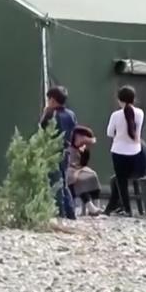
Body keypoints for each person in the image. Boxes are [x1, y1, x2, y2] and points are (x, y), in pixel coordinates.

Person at [104, 85, 145, 217]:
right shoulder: (140, 113)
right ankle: (112, 207)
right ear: (134, 99)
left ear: (119, 99)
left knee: (121, 181)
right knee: (119, 180)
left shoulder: (115, 115)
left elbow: (110, 133)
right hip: (136, 151)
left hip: (118, 151)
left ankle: (126, 208)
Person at [40, 86, 77, 220]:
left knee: (56, 183)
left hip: (53, 151)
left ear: (53, 100)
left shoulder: (52, 114)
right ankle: (70, 212)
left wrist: (45, 113)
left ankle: (59, 212)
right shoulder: (71, 114)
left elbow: (43, 129)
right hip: (66, 151)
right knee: (63, 182)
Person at [66, 125, 101, 216]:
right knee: (79, 181)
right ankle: (90, 206)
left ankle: (96, 205)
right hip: (70, 171)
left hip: (80, 169)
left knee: (93, 176)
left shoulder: (83, 149)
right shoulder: (69, 148)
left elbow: (83, 163)